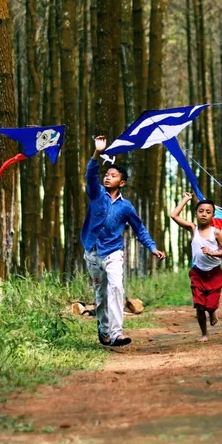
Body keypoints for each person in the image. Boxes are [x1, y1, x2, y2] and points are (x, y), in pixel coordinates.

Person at [82, 135, 166, 347]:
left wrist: (153, 247)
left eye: (113, 175)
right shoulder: (96, 194)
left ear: (122, 182)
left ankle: (118, 333)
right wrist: (97, 152)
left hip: (113, 252)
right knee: (100, 295)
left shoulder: (126, 207)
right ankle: (104, 331)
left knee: (116, 288)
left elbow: (140, 229)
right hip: (92, 253)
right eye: (107, 174)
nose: (107, 178)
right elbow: (90, 176)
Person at [170, 192, 222, 342]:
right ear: (196, 213)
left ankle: (212, 311)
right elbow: (174, 216)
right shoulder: (193, 228)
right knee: (199, 305)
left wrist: (213, 252)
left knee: (210, 306)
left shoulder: (215, 232)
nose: (204, 214)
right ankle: (204, 334)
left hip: (214, 274)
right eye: (201, 211)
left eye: (208, 212)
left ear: (213, 215)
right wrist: (185, 199)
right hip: (198, 273)